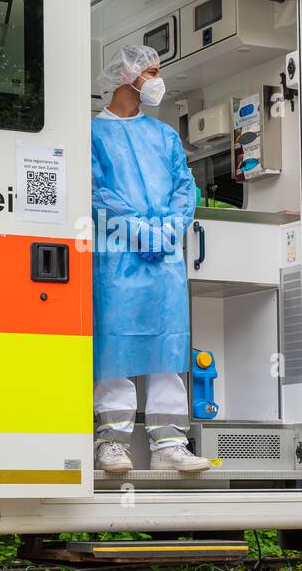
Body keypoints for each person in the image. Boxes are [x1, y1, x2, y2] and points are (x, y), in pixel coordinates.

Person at [91, 45, 212, 474]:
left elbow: (184, 188)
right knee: (115, 347)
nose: (158, 81)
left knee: (166, 348)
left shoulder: (164, 136)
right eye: (152, 72)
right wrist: (137, 230)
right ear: (125, 75)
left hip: (163, 261)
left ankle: (169, 446)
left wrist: (167, 231)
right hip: (116, 260)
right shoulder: (92, 135)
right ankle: (112, 444)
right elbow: (95, 192)